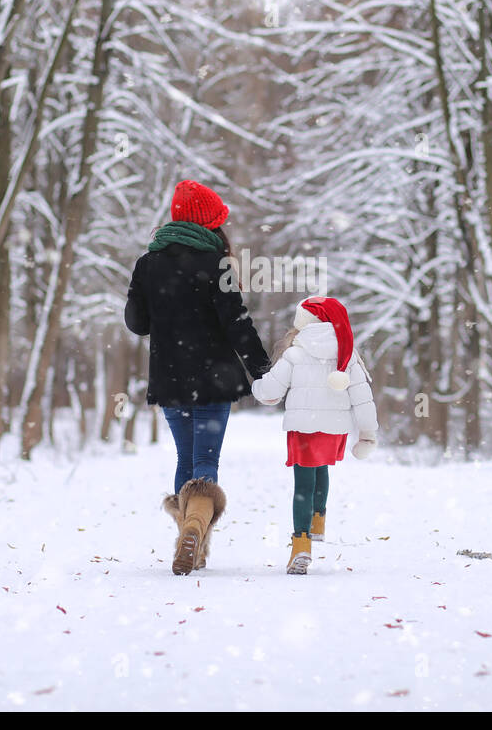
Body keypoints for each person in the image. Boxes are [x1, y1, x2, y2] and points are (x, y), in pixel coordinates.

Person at [124, 179, 271, 575]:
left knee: (185, 458)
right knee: (206, 460)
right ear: (209, 224)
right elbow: (237, 324)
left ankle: (190, 539)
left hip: (171, 379)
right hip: (213, 380)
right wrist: (263, 372)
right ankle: (195, 531)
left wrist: (148, 296)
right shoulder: (217, 263)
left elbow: (136, 324)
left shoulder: (147, 263)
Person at [250, 296, 378, 574]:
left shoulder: (295, 353)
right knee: (322, 467)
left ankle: (301, 545)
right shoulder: (346, 352)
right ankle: (318, 519)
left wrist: (257, 389)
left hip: (303, 428)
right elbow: (362, 397)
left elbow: (270, 391)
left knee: (303, 484)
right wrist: (367, 433)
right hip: (333, 429)